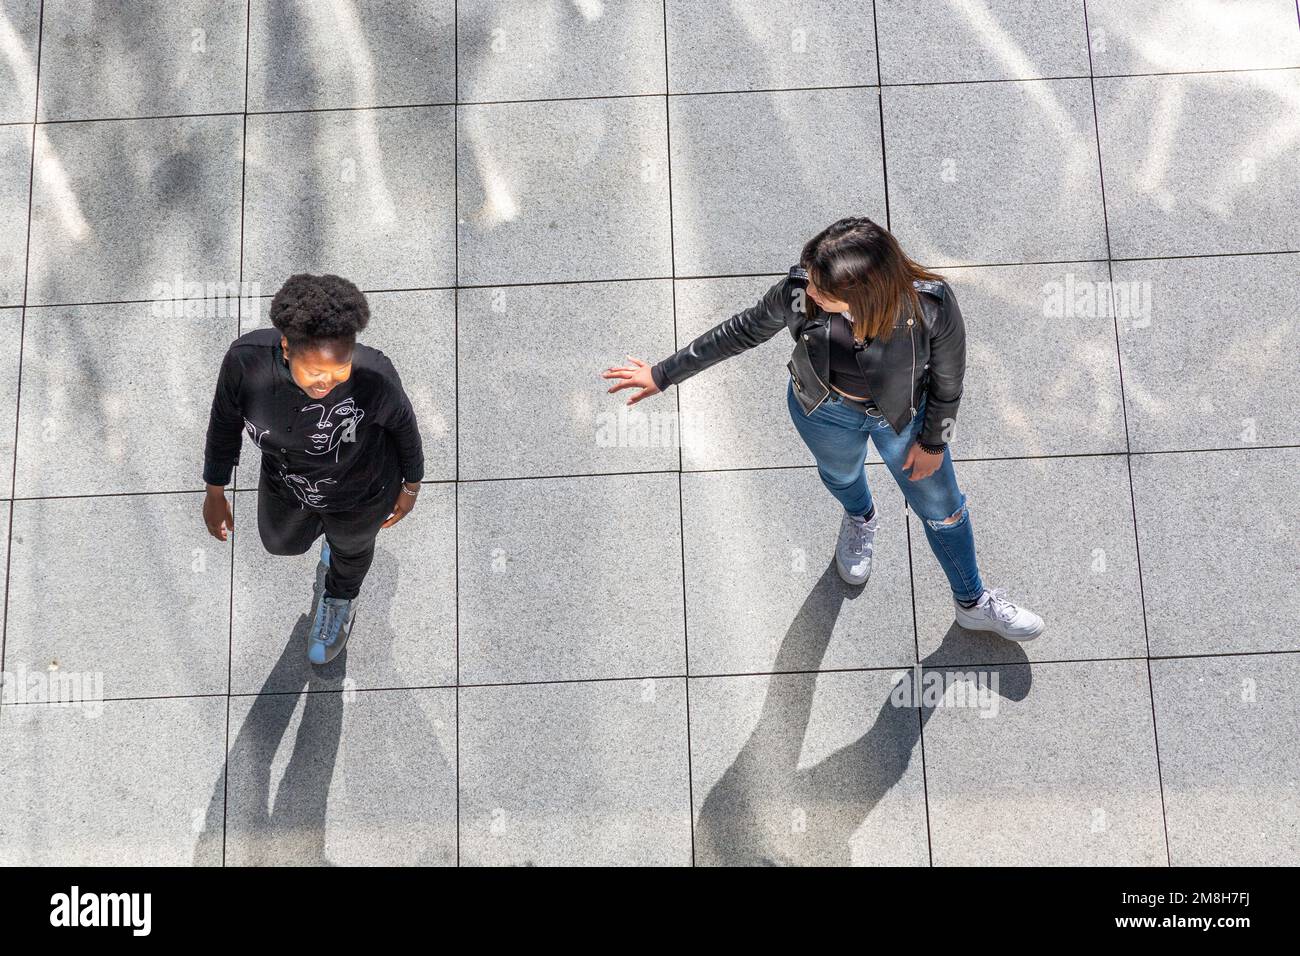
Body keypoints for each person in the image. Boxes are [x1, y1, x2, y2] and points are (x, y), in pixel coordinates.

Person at [603, 216, 1044, 641]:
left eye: (821, 286)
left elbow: (949, 381)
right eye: (811, 278)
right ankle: (860, 517)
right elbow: (743, 330)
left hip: (905, 419)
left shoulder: (930, 307)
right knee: (841, 475)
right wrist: (664, 373)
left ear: (864, 294)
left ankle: (972, 602)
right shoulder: (802, 293)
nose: (808, 289)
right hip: (824, 410)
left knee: (944, 509)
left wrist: (933, 442)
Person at [201, 273, 425, 663]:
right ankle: (331, 544)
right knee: (280, 543)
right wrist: (214, 489)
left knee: (351, 551)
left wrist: (411, 486)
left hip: (362, 489)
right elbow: (224, 422)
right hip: (287, 481)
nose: (328, 382)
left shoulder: (375, 375)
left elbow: (404, 425)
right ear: (287, 346)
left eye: (339, 371)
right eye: (316, 372)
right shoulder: (245, 362)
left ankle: (340, 598)